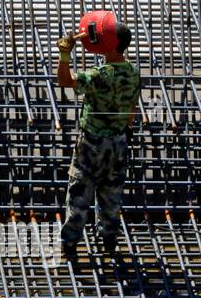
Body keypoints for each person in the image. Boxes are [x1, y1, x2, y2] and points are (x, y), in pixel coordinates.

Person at [56, 20, 140, 256]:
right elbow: (132, 109)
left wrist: (64, 54)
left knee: (80, 194)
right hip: (119, 141)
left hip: (91, 144)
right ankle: (109, 243)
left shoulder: (98, 75)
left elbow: (64, 81)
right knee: (111, 195)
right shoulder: (133, 73)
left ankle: (70, 245)